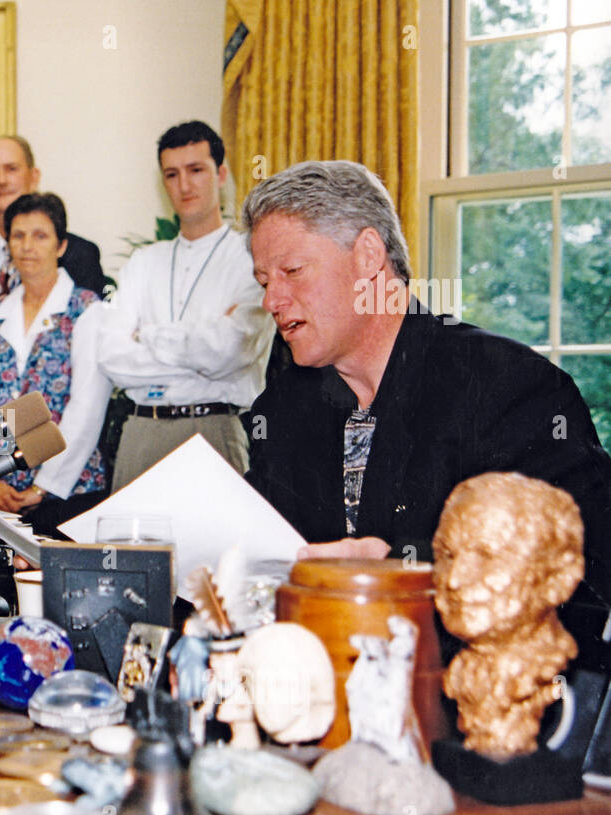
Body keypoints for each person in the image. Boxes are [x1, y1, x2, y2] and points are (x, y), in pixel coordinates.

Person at [241, 159, 611, 603]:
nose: (271, 299)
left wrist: (406, 578)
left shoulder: (509, 387)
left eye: (292, 271)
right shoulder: (281, 412)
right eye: (263, 281)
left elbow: (578, 576)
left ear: (369, 255)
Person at [97, 121, 273, 483]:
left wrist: (147, 335)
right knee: (131, 541)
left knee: (216, 542)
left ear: (221, 174)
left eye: (196, 170)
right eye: (172, 175)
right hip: (143, 431)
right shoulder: (143, 262)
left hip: (214, 428)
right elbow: (111, 355)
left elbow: (231, 349)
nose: (185, 185)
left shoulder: (250, 256)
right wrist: (200, 348)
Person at [0, 193, 113, 533]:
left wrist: (44, 486)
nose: (27, 246)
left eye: (40, 235)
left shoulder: (86, 310)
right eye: (18, 236)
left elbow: (87, 408)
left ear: (61, 246)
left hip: (68, 495)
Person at [0, 136, 107, 416]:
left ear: (33, 177)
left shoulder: (79, 254)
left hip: (60, 425)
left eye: (11, 169)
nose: (2, 180)